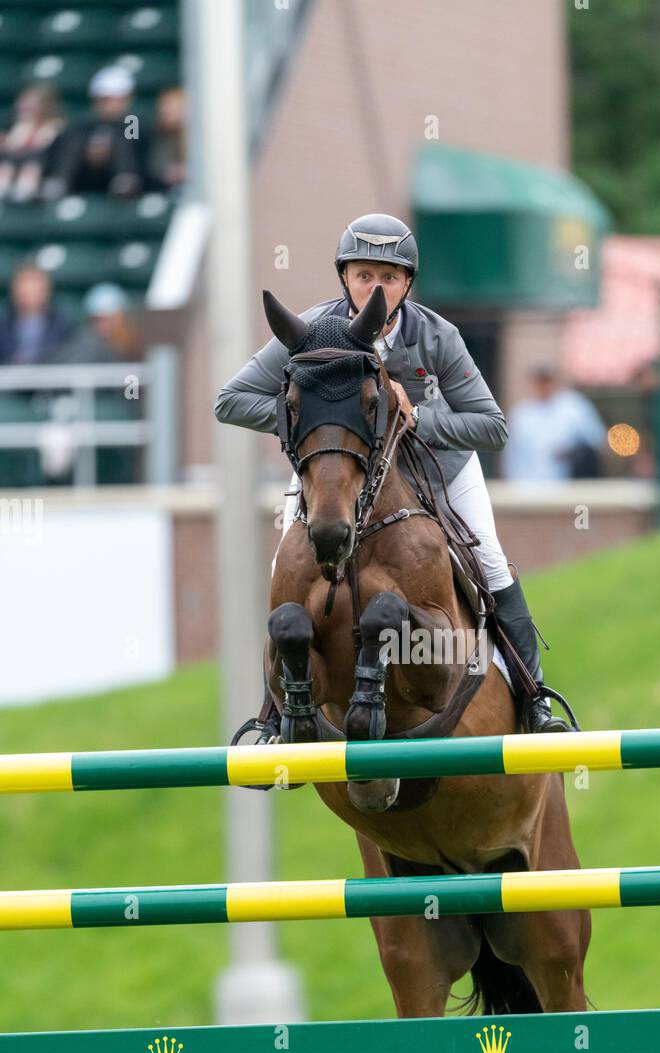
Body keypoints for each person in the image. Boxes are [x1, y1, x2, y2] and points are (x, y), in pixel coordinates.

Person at [215, 212, 573, 734]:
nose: (375, 287)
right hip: (336, 471)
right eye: (364, 275)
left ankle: (534, 699)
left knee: (493, 565)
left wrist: (418, 418)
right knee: (283, 575)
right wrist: (312, 421)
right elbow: (230, 401)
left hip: (434, 472)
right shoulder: (313, 331)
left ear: (407, 284)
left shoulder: (437, 336)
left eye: (388, 277)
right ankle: (273, 716)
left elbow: (492, 426)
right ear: (345, 277)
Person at [42, 66, 151, 200]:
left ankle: (125, 180)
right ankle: (59, 182)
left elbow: (136, 144)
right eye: (103, 100)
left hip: (131, 176)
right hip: (86, 174)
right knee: (74, 139)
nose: (108, 105)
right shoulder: (84, 126)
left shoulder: (133, 121)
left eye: (112, 99)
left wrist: (109, 148)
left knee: (122, 141)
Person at [503, 365, 607, 482]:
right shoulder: (521, 414)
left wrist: (573, 452)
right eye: (540, 381)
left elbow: (597, 441)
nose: (544, 385)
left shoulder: (574, 406)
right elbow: (512, 456)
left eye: (547, 380)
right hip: (529, 488)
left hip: (569, 486)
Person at [0, 85, 66, 202]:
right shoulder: (18, 127)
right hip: (13, 173)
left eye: (31, 105)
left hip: (42, 175)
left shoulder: (57, 127)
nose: (25, 108)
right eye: (23, 103)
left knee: (31, 168)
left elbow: (51, 154)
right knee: (6, 168)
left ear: (45, 106)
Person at [48, 283, 140, 363]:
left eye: (110, 319)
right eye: (98, 320)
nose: (104, 325)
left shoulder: (136, 344)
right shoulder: (86, 346)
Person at [0, 264, 71, 364]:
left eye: (35, 290)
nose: (30, 296)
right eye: (24, 291)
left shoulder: (64, 326)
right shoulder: (2, 325)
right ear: (13, 291)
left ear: (47, 291)